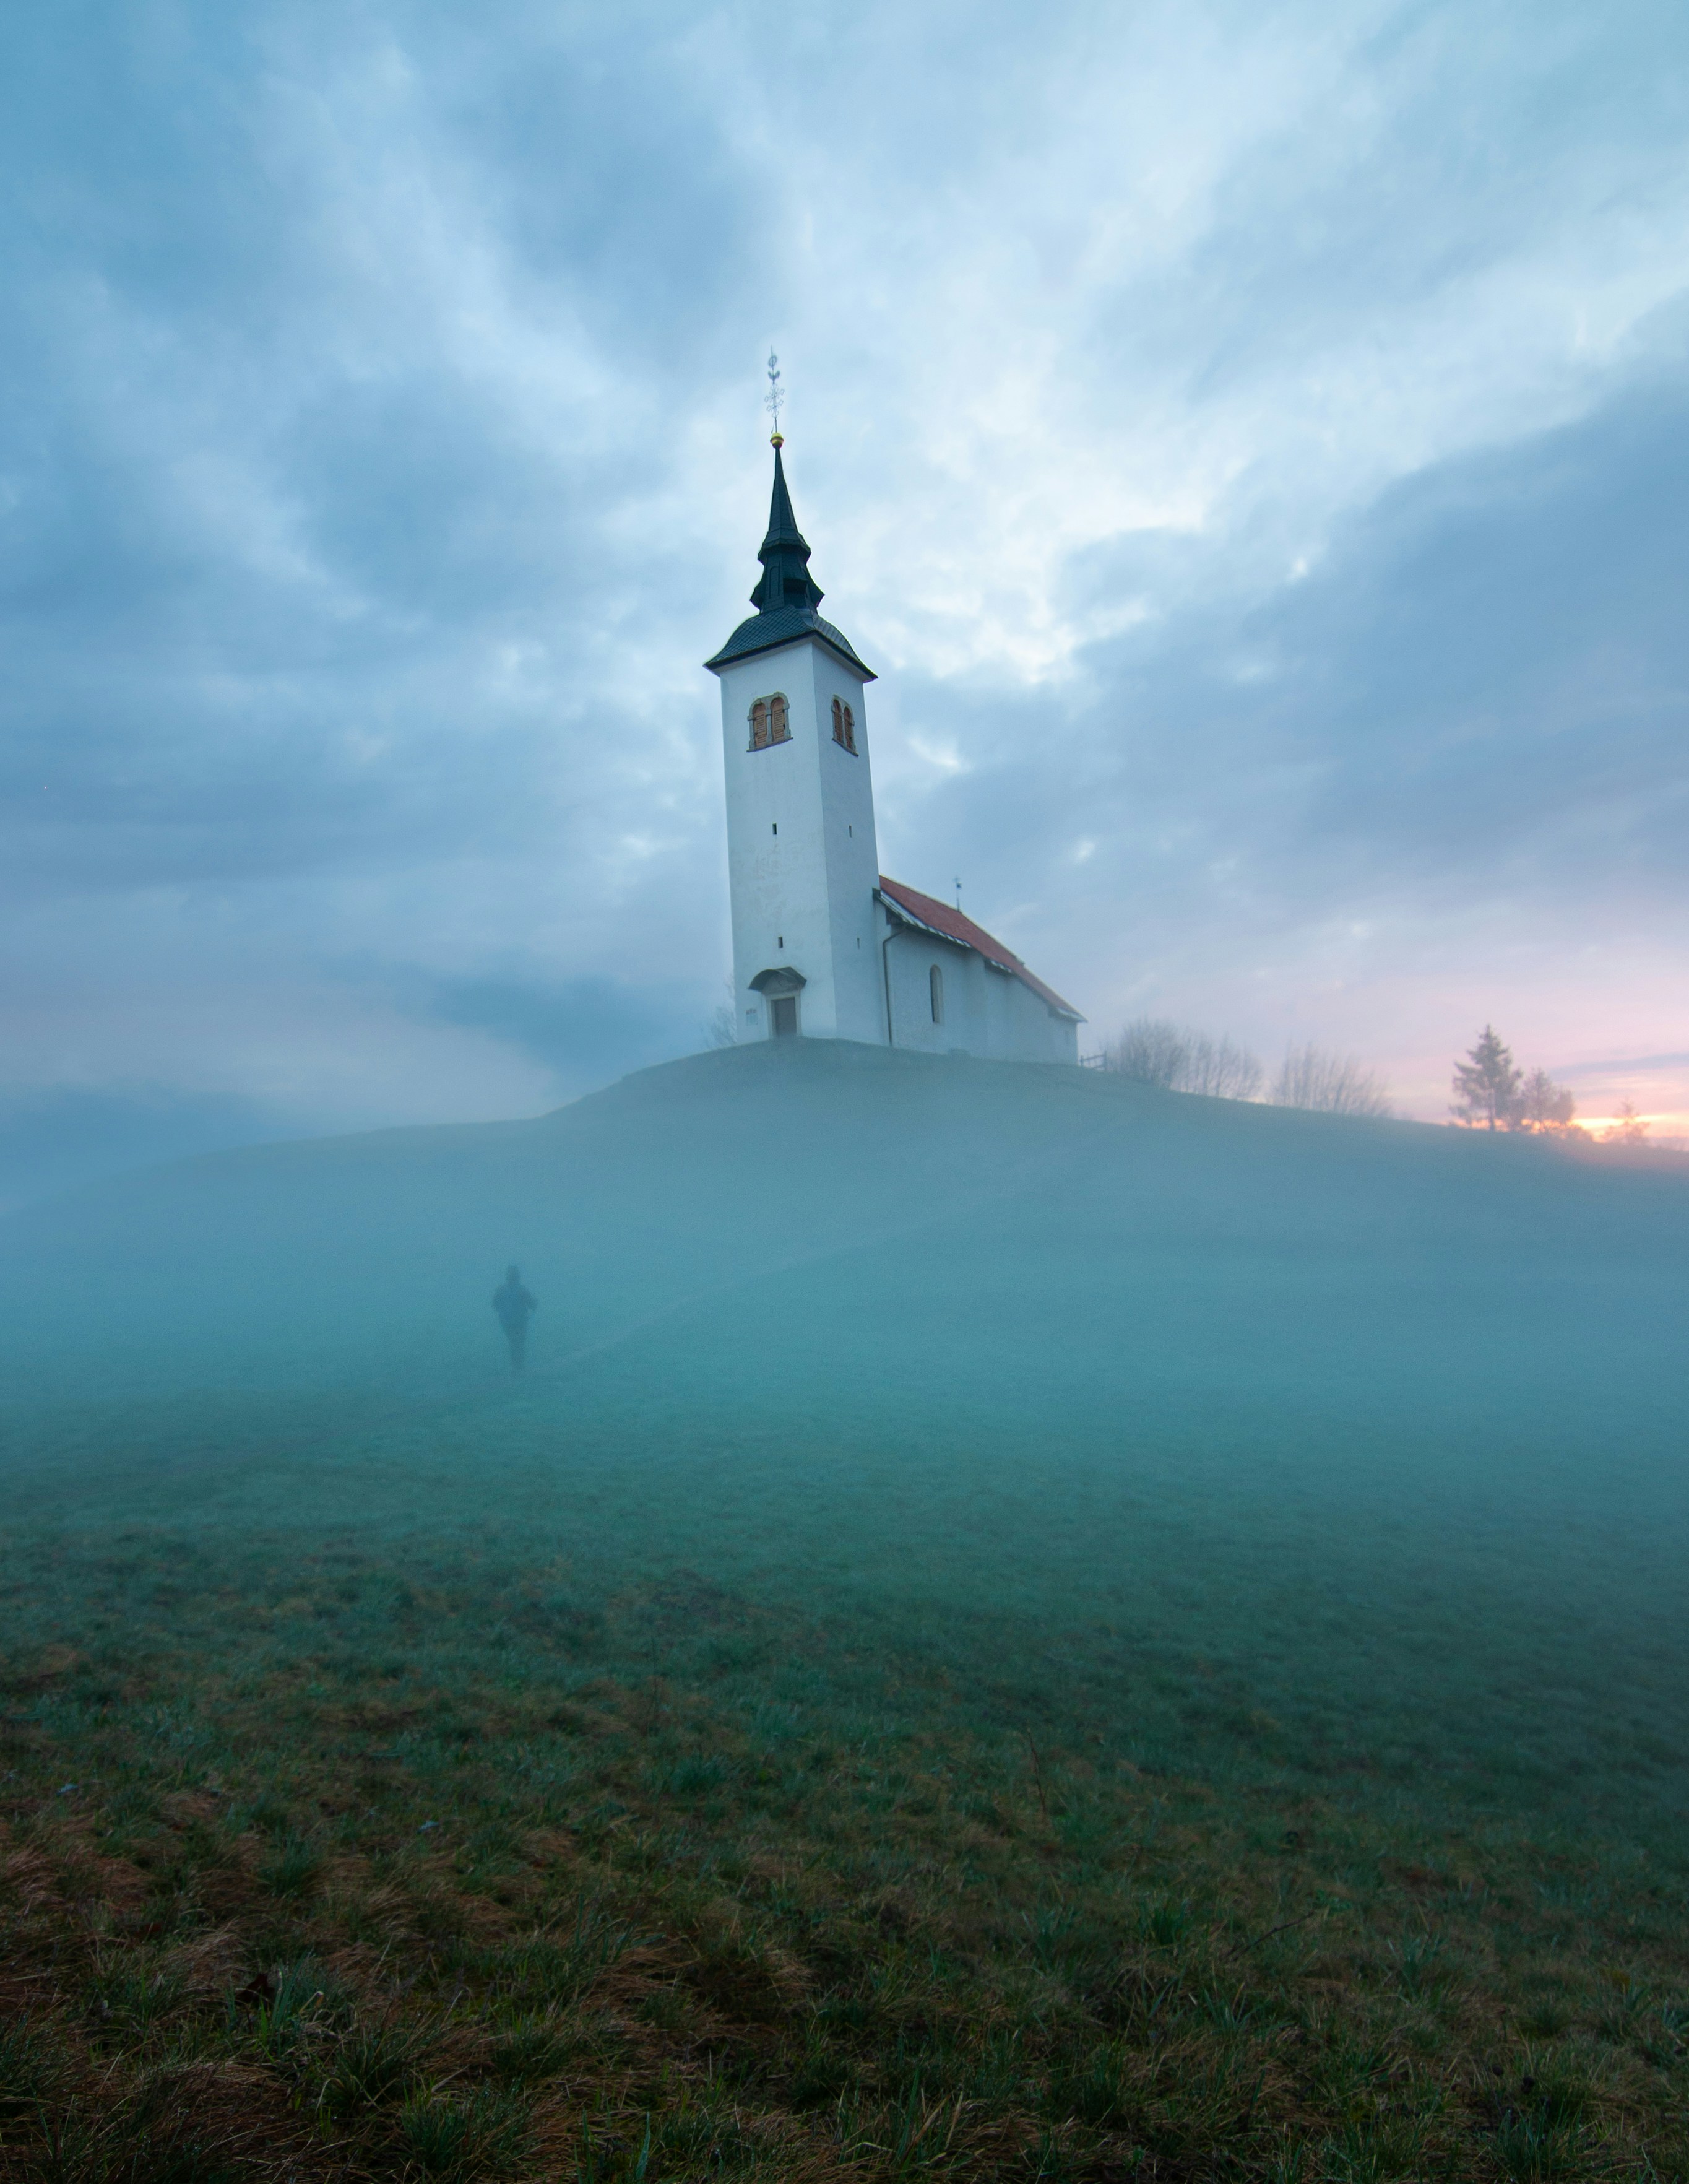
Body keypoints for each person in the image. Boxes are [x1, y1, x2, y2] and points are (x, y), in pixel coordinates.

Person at [491, 1265, 537, 1371]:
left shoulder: (501, 1290)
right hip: (520, 1322)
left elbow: (495, 1305)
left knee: (513, 1342)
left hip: (506, 1323)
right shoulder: (522, 1291)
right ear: (518, 1277)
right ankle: (518, 1366)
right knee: (519, 1343)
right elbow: (532, 1304)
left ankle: (515, 1366)